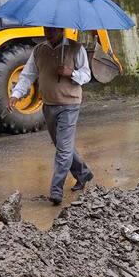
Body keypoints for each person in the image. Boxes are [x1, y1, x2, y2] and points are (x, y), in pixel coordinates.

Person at [23, 26, 94, 203]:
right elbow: (28, 74)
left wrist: (71, 73)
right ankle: (84, 173)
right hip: (48, 105)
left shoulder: (76, 48)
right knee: (63, 146)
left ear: (61, 29)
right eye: (46, 28)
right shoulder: (39, 50)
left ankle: (56, 190)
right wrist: (16, 95)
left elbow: (87, 75)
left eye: (52, 29)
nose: (49, 32)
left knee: (63, 149)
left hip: (69, 104)